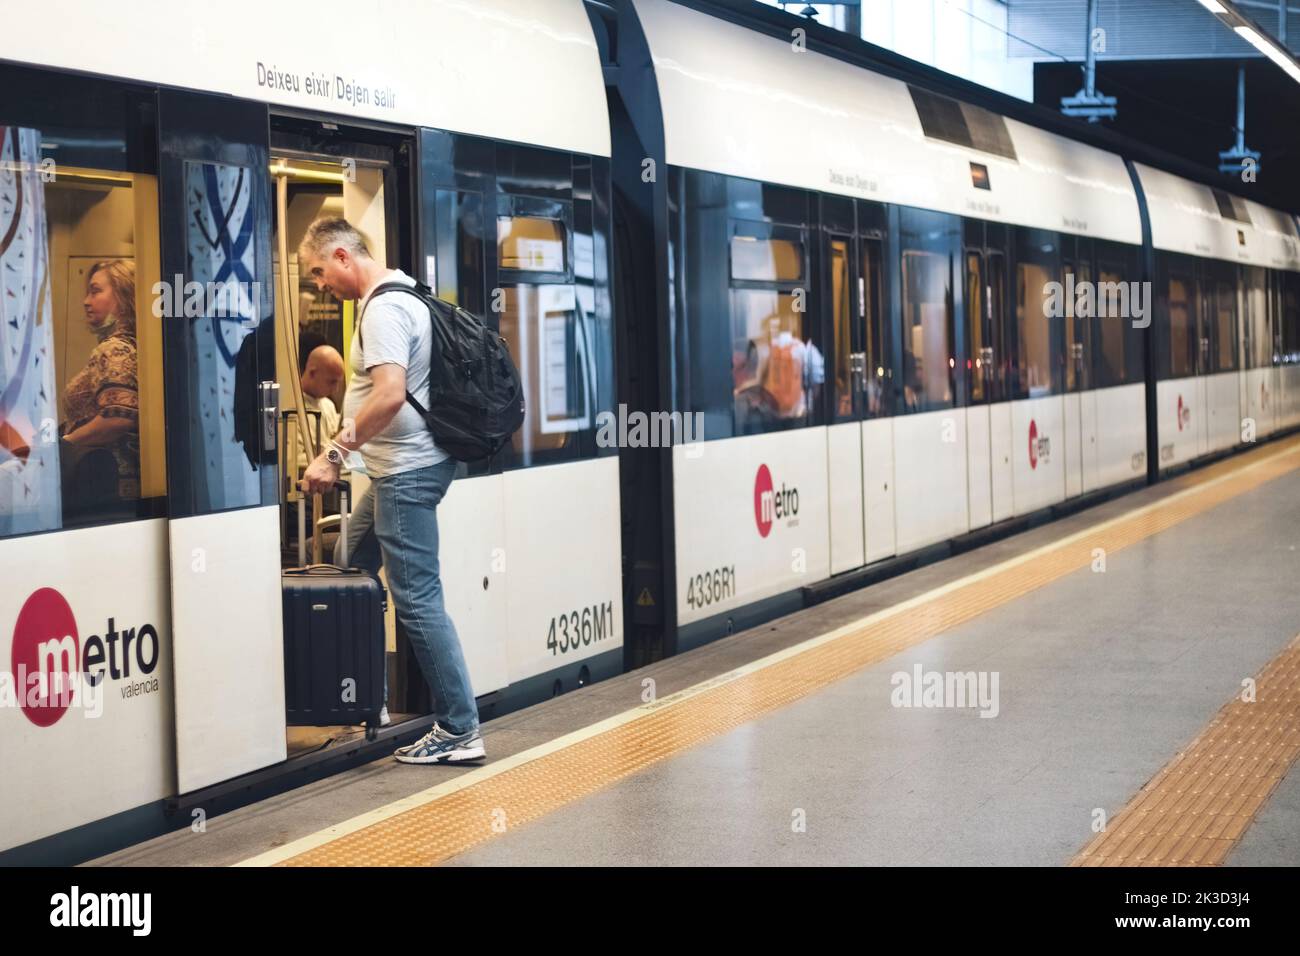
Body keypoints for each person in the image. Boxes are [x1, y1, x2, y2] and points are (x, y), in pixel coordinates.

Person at [298, 217, 484, 765]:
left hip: (406, 472)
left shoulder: (382, 309)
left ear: (340, 256)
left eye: (317, 272)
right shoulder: (403, 291)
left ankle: (459, 728)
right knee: (349, 559)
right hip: (394, 471)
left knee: (419, 601)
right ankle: (360, 698)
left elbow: (390, 397)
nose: (319, 285)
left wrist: (334, 454)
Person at [61, 259, 140, 522]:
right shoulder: (135, 344)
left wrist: (63, 445)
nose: (86, 300)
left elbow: (118, 418)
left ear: (123, 295)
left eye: (96, 291)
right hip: (121, 485)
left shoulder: (114, 348)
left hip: (103, 484)